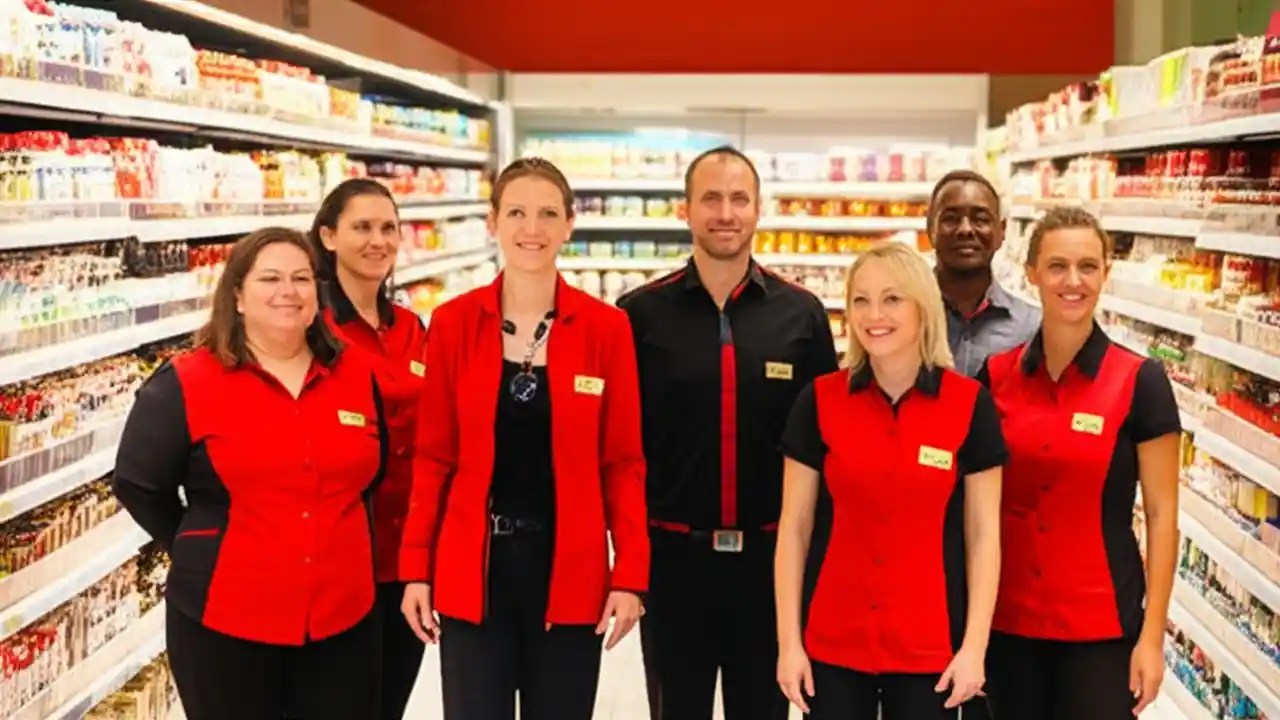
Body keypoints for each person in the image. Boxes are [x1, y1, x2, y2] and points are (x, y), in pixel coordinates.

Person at [398, 157, 648, 720]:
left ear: (569, 226)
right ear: (492, 223)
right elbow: (434, 457)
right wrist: (416, 566)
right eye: (516, 212)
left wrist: (630, 572)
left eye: (546, 214)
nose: (530, 229)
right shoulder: (455, 324)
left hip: (571, 571)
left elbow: (624, 462)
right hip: (473, 571)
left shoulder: (606, 329)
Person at [112, 227, 388, 720]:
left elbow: (372, 471)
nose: (289, 291)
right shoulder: (189, 381)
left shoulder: (357, 375)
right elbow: (139, 483)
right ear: (237, 295)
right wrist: (197, 543)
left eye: (302, 278)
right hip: (225, 623)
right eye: (270, 278)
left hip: (345, 620)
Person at [618, 145, 840, 720]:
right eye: (710, 198)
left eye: (739, 198)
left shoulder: (802, 315)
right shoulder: (639, 315)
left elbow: (825, 446)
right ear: (685, 210)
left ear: (759, 209)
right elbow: (620, 447)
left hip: (770, 564)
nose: (725, 212)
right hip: (672, 563)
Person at [774, 242, 1004, 719]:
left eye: (892, 299)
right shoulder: (818, 401)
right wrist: (789, 644)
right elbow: (793, 530)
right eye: (861, 300)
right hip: (833, 644)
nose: (874, 314)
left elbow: (984, 536)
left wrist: (974, 648)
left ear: (923, 307)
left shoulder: (969, 405)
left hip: (929, 648)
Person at [977, 206, 1180, 719]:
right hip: (1008, 623)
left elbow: (1161, 515)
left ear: (1106, 273)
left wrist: (1152, 640)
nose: (1073, 281)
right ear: (1031, 274)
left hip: (1102, 628)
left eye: (1088, 266)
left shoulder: (1141, 380)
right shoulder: (995, 376)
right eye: (1057, 266)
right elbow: (974, 512)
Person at [310, 178, 428, 720]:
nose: (377, 240)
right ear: (328, 236)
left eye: (388, 228)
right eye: (361, 227)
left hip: (408, 557)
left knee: (390, 705)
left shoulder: (411, 327)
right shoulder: (311, 328)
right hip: (340, 559)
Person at [929, 169, 1040, 378]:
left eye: (980, 219)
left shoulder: (1032, 328)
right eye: (951, 219)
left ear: (1001, 231)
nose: (965, 229)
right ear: (930, 229)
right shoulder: (902, 321)